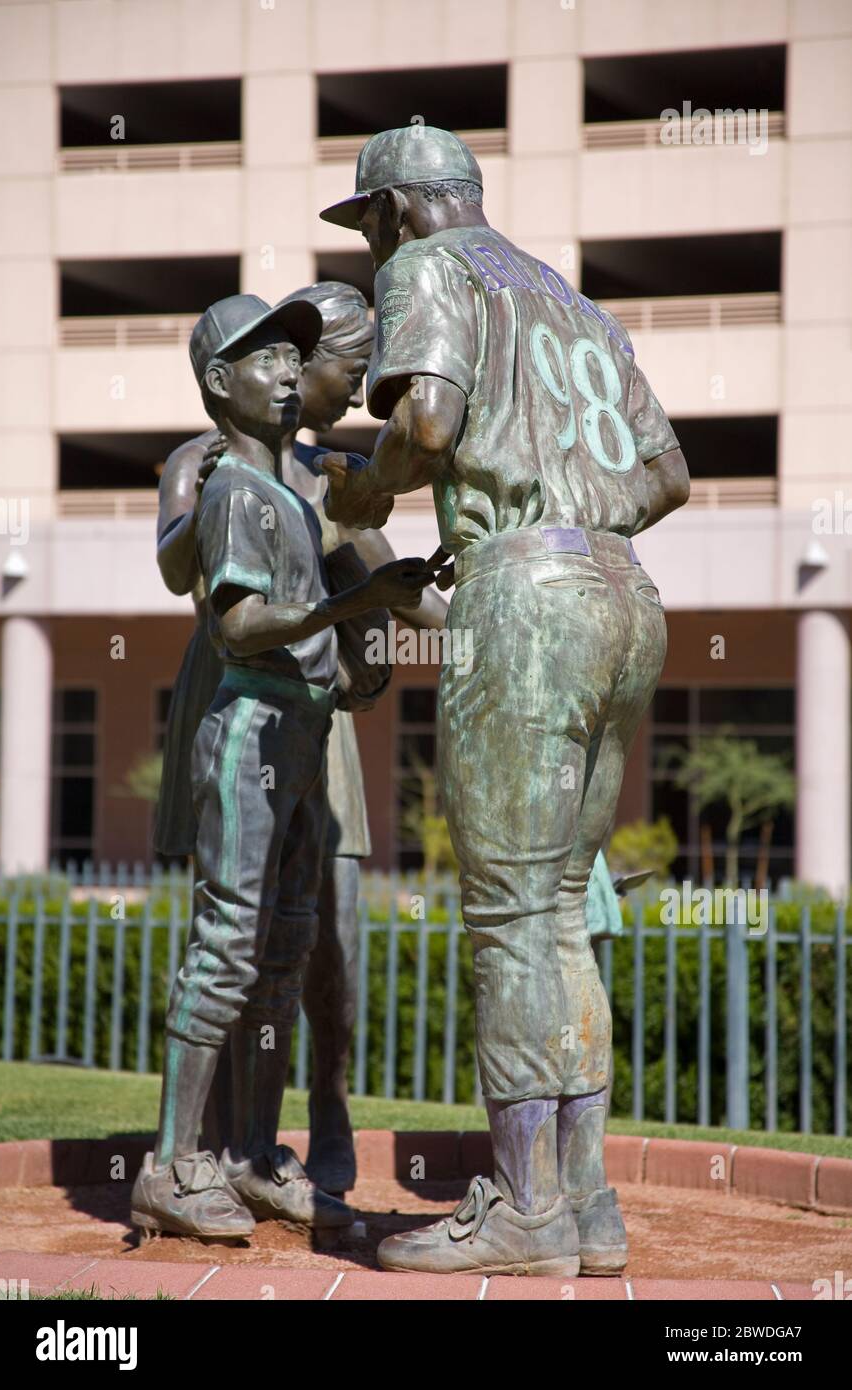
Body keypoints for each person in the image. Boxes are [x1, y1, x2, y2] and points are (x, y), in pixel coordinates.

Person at [319, 127, 690, 1276]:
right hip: (623, 589)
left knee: (508, 916)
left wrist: (366, 478)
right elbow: (668, 474)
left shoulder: (428, 268)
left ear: (398, 210)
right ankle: (583, 1205)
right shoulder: (576, 305)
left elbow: (424, 421)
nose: (371, 242)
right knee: (560, 907)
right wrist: (576, 508)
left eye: (370, 222)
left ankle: (527, 1208)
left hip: (520, 592)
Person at [131, 293, 433, 1240]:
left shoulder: (312, 488)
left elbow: (389, 591)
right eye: (275, 360)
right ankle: (177, 1161)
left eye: (303, 360)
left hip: (307, 720)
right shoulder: (216, 476)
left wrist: (427, 603)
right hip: (247, 712)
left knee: (292, 948)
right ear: (224, 383)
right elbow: (218, 602)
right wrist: (341, 605)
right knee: (229, 939)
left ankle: (255, 1153)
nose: (298, 373)